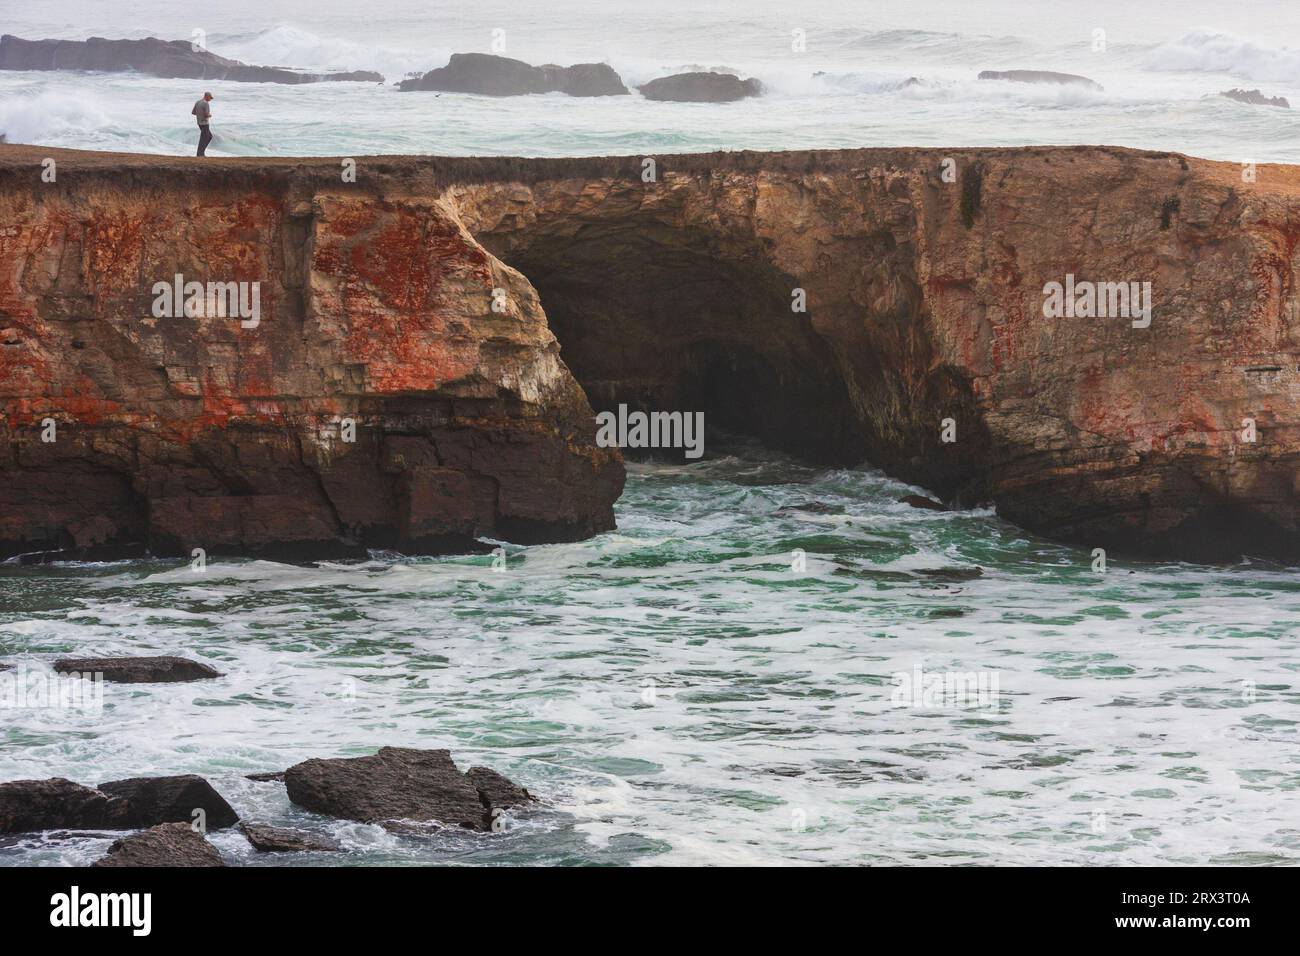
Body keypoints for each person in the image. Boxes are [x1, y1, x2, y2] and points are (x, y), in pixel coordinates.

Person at [192, 92, 213, 156]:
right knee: (204, 138)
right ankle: (200, 153)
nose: (210, 99)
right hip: (205, 123)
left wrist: (200, 115)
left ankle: (201, 152)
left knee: (209, 136)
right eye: (210, 98)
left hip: (199, 123)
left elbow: (193, 112)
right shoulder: (206, 103)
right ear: (207, 96)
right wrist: (210, 115)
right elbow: (206, 114)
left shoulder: (198, 102)